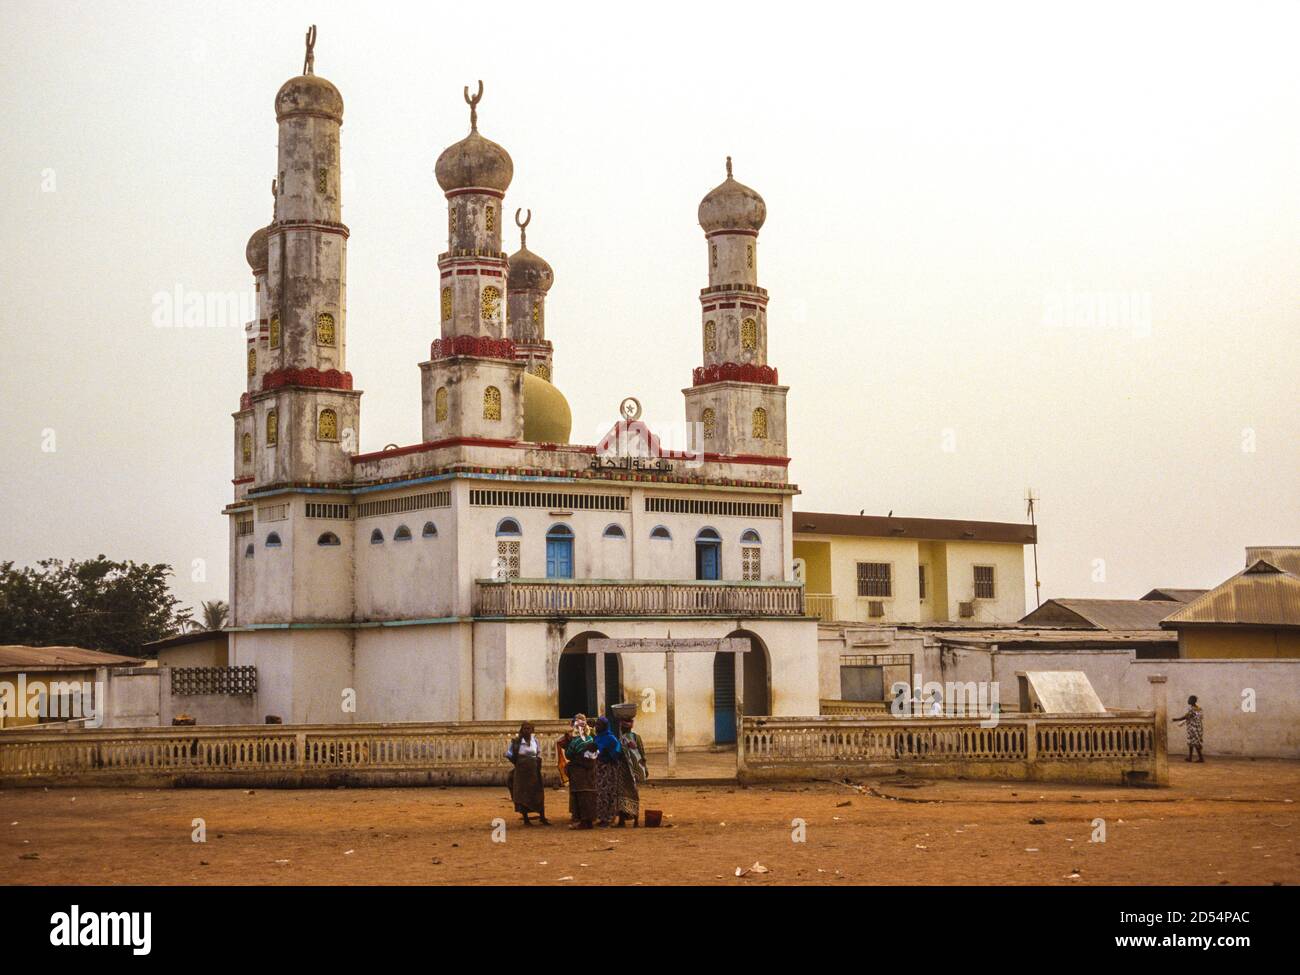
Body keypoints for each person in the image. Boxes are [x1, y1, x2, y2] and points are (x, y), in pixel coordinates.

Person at [504, 721, 550, 825]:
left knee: (538, 792)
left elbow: (538, 754)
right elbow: (509, 754)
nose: (527, 730)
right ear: (521, 730)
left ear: (532, 730)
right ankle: (526, 819)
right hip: (521, 772)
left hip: (534, 770)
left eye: (529, 728)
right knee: (523, 793)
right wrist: (518, 763)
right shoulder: (516, 742)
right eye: (525, 728)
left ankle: (542, 817)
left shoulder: (535, 741)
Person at [564, 720, 599, 830]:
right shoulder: (591, 739)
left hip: (579, 773)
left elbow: (568, 755)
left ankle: (583, 822)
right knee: (590, 795)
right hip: (591, 772)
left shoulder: (575, 742)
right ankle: (589, 821)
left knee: (580, 796)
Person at [616, 716, 648, 827]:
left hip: (623, 770)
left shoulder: (620, 739)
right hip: (634, 771)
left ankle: (622, 821)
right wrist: (644, 769)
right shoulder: (636, 737)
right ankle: (636, 821)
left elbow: (618, 754)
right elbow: (642, 755)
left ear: (621, 727)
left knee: (621, 794)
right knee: (634, 793)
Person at [592, 715, 622, 827]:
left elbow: (617, 752)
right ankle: (602, 817)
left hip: (609, 769)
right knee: (600, 794)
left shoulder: (611, 739)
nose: (596, 727)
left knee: (608, 793)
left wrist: (607, 755)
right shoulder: (597, 738)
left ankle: (609, 818)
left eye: (599, 725)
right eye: (596, 724)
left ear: (605, 726)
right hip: (600, 769)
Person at [1172, 695, 1205, 763]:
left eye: (1189, 699)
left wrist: (1176, 719)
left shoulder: (1191, 709)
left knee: (1195, 742)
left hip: (1193, 728)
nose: (1188, 700)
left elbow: (1186, 717)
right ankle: (1190, 757)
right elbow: (1199, 717)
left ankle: (1201, 758)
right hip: (1198, 727)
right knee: (1191, 742)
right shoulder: (1199, 708)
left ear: (1193, 701)